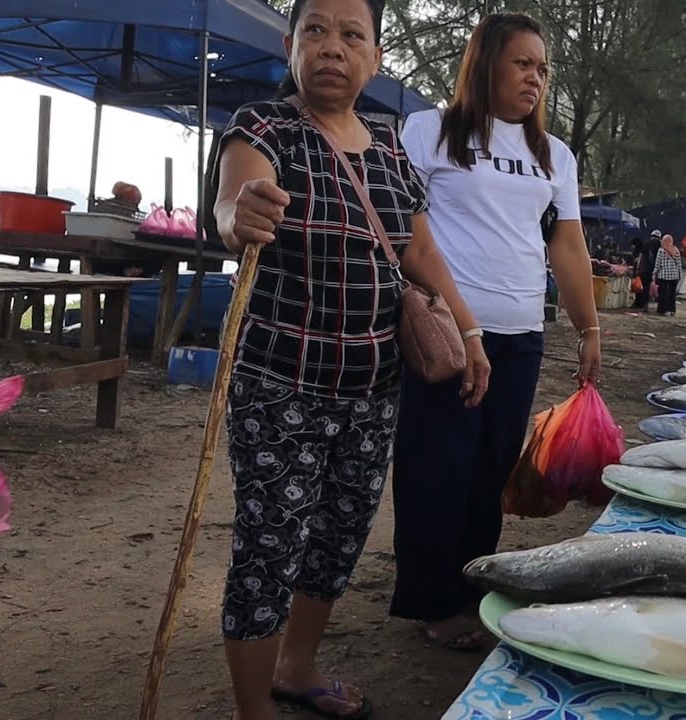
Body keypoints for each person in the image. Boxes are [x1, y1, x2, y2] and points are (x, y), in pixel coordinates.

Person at [206, 0, 488, 718]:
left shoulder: (391, 146)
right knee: (270, 545)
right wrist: (241, 215)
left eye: (351, 35)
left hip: (372, 387)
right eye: (316, 32)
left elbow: (418, 251)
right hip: (280, 384)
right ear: (291, 43)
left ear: (376, 55)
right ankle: (253, 708)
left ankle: (296, 668)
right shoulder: (264, 128)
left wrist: (470, 330)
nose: (332, 48)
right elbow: (232, 201)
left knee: (337, 534)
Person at [390, 12, 601, 651]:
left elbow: (567, 246)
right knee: (437, 465)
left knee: (490, 469)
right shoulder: (429, 131)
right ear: (485, 64)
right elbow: (406, 228)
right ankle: (433, 601)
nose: (535, 77)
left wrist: (588, 324)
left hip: (519, 333)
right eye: (522, 63)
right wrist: (458, 318)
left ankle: (471, 583)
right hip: (448, 334)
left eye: (542, 67)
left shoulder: (552, 155)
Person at [653, 233, 683, 316]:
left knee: (663, 294)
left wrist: (654, 273)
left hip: (663, 276)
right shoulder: (676, 250)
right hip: (675, 276)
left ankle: (663, 310)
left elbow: (658, 264)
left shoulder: (661, 250)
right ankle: (672, 310)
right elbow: (679, 264)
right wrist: (680, 275)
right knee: (672, 294)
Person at [632, 229, 660, 309]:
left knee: (644, 287)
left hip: (645, 270)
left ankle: (643, 304)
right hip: (656, 271)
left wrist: (638, 269)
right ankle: (659, 306)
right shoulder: (661, 246)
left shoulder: (647, 244)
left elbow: (641, 257)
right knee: (657, 288)